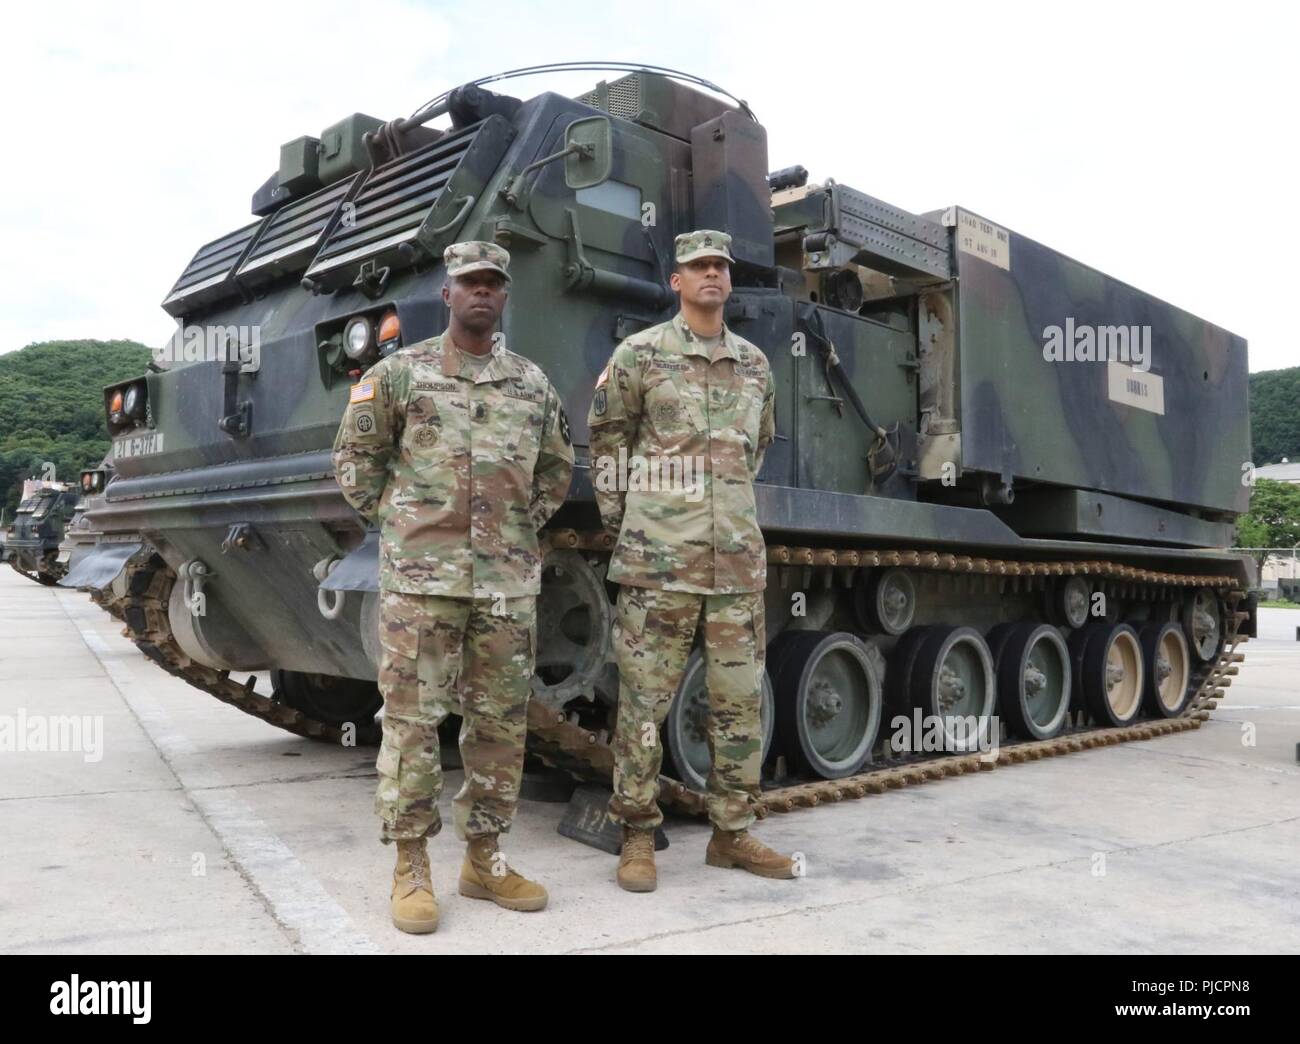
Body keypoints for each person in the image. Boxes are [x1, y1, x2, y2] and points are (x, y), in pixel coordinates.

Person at [333, 240, 573, 932]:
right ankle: (411, 863)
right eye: (469, 282)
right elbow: (356, 460)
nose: (482, 293)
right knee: (411, 723)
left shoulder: (531, 383)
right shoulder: (400, 374)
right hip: (422, 583)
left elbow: (555, 471)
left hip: (504, 584)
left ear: (505, 296)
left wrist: (516, 531)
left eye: (494, 283)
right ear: (447, 294)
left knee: (499, 723)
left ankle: (484, 858)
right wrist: (404, 524)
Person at [587, 229, 795, 892]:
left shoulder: (756, 366)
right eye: (698, 266)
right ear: (675, 280)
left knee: (737, 704)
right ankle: (638, 835)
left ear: (729, 281)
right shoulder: (640, 356)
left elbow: (755, 449)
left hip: (733, 565)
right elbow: (609, 444)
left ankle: (732, 834)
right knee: (644, 706)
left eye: (720, 266)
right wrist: (632, 527)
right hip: (658, 564)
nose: (712, 274)